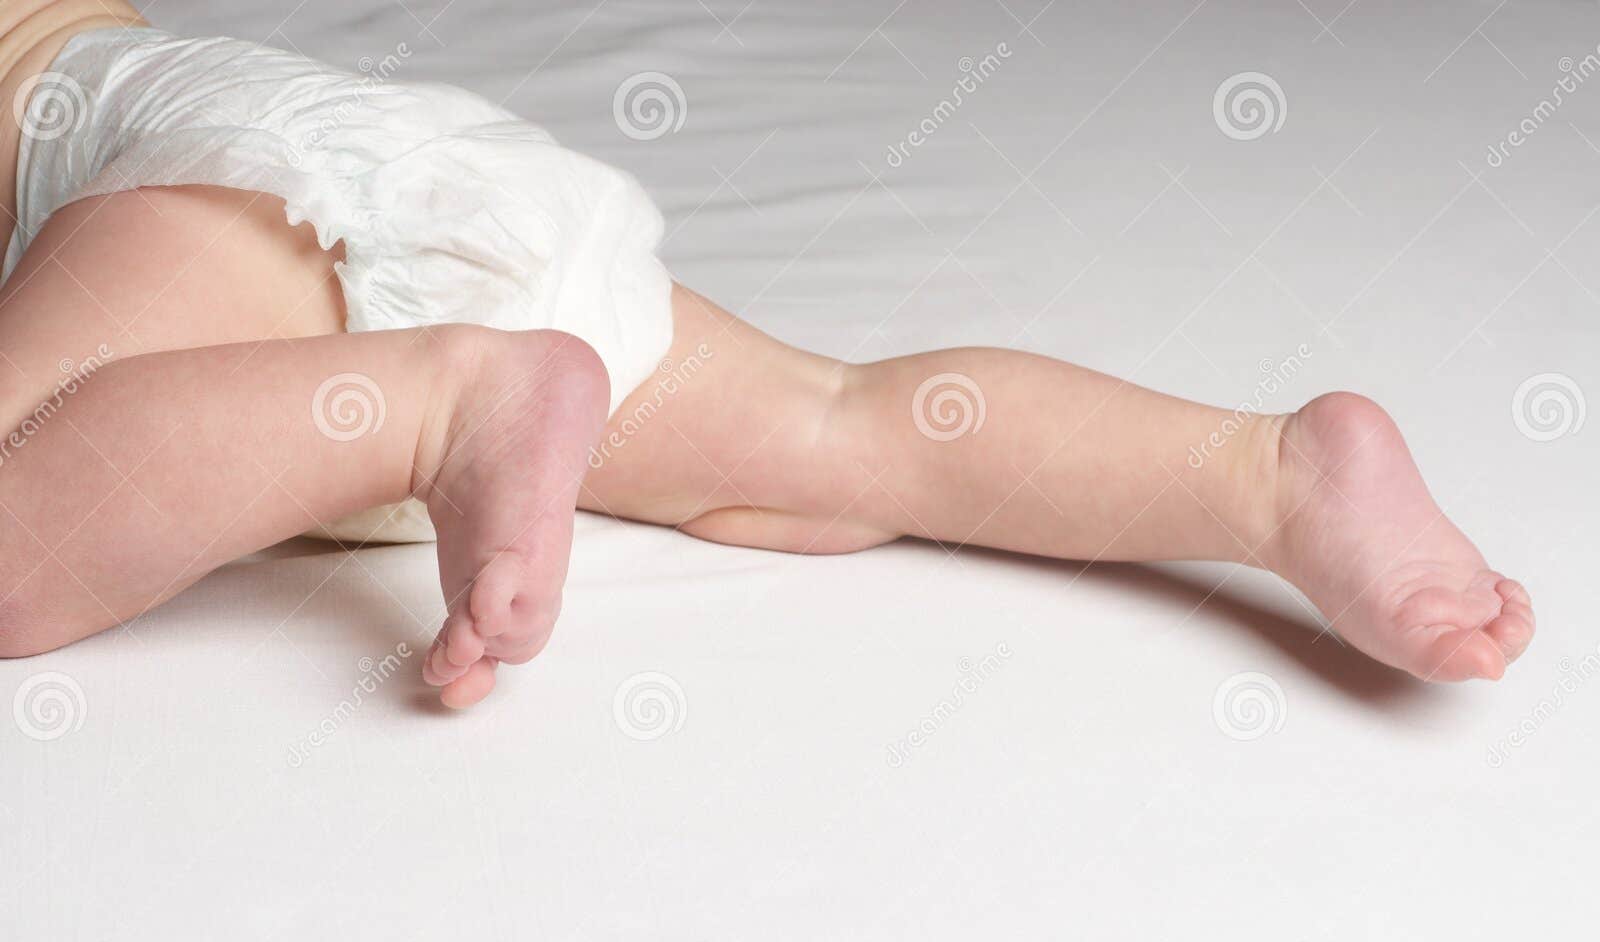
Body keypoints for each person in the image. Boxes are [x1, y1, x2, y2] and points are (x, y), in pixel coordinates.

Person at [0, 6, 1534, 707]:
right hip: (437, 185)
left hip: (208, 183)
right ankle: (1266, 474)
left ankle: (443, 401)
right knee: (841, 433)